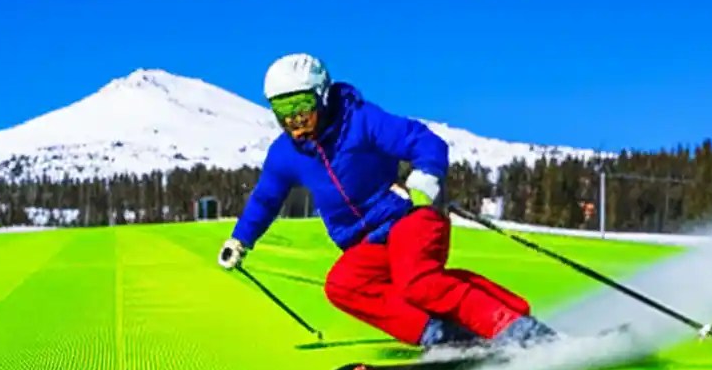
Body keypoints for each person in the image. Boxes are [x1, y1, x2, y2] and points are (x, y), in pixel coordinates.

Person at [218, 53, 556, 349]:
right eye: (282, 109)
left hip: (409, 216)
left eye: (300, 106)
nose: (294, 119)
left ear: (321, 97)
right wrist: (240, 240)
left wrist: (426, 176)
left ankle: (517, 330)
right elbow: (265, 199)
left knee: (419, 282)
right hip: (366, 241)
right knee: (344, 284)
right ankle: (439, 335)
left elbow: (422, 140)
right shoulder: (285, 154)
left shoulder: (360, 121)